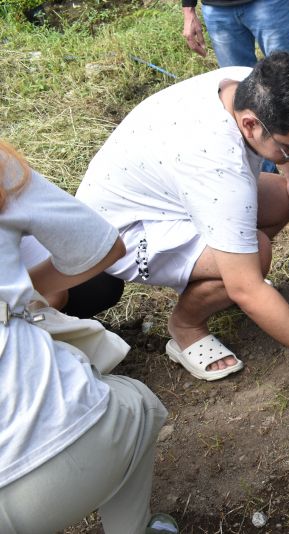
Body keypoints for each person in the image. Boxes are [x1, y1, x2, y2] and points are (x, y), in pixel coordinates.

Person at [76, 53, 289, 390]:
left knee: (280, 199)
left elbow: (281, 145)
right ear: (250, 125)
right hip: (122, 234)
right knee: (253, 259)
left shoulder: (251, 83)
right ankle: (186, 326)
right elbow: (247, 287)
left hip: (170, 194)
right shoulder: (216, 165)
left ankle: (208, 281)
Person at [0, 141, 175, 533]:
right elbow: (102, 247)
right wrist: (19, 295)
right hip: (59, 462)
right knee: (139, 404)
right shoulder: (5, 166)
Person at [181, 0, 289, 207]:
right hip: (217, 8)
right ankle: (263, 179)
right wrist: (188, 10)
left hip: (269, 4)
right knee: (244, 98)